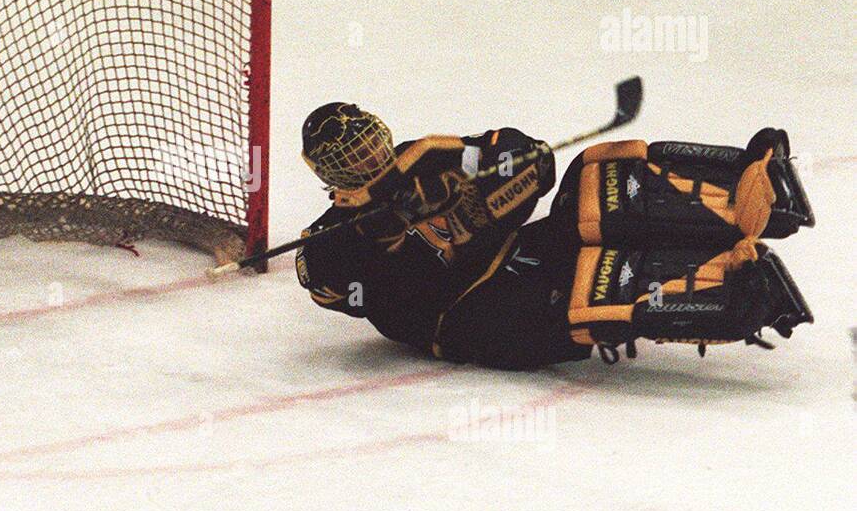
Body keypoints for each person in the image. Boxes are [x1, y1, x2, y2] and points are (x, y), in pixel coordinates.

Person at [294, 102, 814, 370]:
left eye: (367, 143)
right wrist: (386, 224)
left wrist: (514, 163)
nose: (366, 158)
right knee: (591, 290)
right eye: (349, 156)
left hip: (514, 250)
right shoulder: (326, 239)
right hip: (467, 317)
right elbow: (333, 282)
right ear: (324, 170)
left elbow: (517, 157)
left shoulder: (424, 156)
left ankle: (744, 197)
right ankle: (736, 293)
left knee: (595, 179)